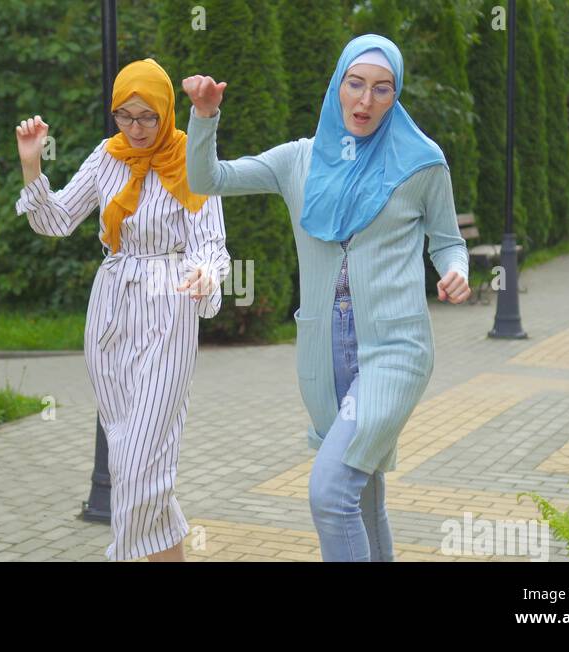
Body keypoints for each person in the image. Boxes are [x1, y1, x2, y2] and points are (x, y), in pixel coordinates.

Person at [183, 34, 471, 561]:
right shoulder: (299, 160)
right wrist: (204, 118)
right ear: (338, 85)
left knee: (330, 493)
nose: (366, 101)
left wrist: (455, 271)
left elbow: (448, 242)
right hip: (323, 354)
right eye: (355, 84)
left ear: (396, 95)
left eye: (382, 90)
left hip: (396, 350)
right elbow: (207, 179)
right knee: (362, 500)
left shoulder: (422, 163)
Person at [14, 58, 230, 562]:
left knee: (138, 463)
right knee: (134, 457)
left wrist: (206, 275)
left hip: (169, 302)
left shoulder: (189, 157)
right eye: (124, 116)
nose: (135, 129)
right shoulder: (106, 157)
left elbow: (211, 244)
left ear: (165, 112)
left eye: (146, 117)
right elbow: (58, 220)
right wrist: (32, 164)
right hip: (111, 305)